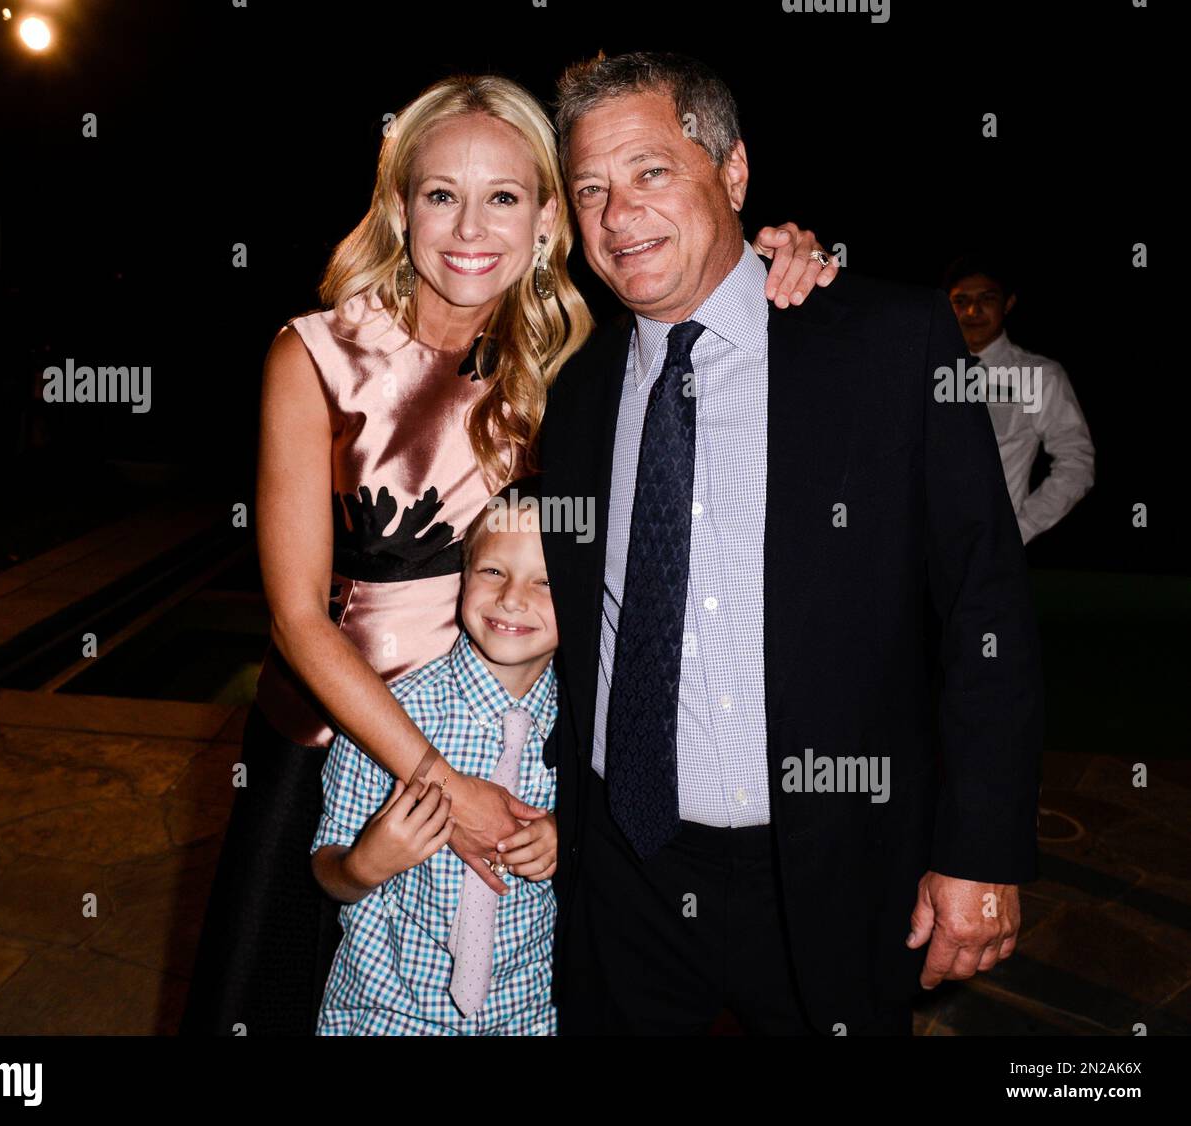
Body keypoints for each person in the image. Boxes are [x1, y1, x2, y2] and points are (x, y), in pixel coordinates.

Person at [180, 70, 838, 1035]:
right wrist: (441, 786)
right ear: (400, 211)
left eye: (504, 197)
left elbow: (719, 310)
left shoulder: (584, 370)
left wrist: (787, 256)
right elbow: (294, 620)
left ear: (545, 224)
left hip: (530, 757)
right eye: (441, 195)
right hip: (338, 745)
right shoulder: (312, 355)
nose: (468, 228)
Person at [538, 51, 1044, 1035]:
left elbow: (985, 604)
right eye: (589, 188)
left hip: (833, 866)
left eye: (650, 172)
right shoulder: (578, 392)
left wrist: (980, 848)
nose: (616, 214)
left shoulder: (888, 344)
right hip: (624, 874)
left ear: (731, 173)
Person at [310, 479, 560, 1034]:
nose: (513, 598)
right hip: (388, 1017)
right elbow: (327, 869)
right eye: (494, 571)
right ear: (463, 577)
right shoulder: (390, 720)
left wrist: (566, 837)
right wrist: (364, 865)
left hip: (526, 1017)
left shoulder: (589, 733)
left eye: (547, 582)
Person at [945, 255, 1095, 543]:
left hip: (989, 549)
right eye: (961, 301)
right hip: (915, 549)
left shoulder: (1037, 376)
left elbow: (1076, 461)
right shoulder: (921, 373)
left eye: (987, 298)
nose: (973, 310)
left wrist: (1017, 530)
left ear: (1008, 303)